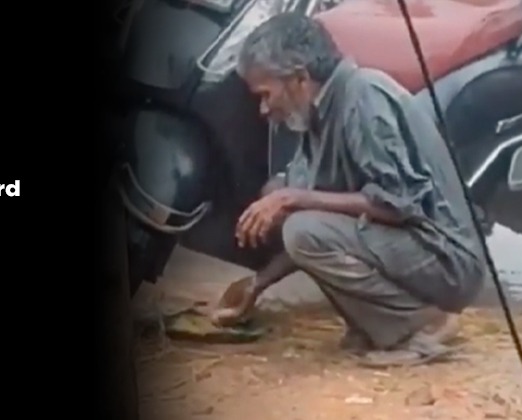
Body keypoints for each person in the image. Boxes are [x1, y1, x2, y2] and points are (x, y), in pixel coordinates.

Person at [209, 12, 488, 368]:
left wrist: (293, 198)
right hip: (418, 252)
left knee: (296, 219)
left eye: (265, 95)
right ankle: (376, 326)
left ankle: (423, 324)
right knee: (282, 203)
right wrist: (258, 284)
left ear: (299, 78)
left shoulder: (364, 95)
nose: (264, 109)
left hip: (448, 262)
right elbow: (316, 222)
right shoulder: (319, 110)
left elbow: (397, 204)